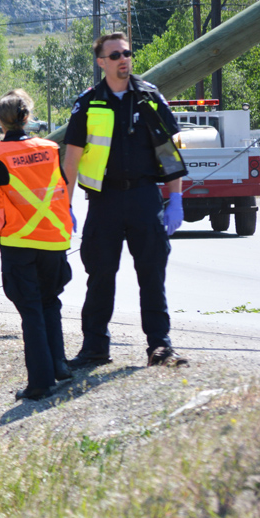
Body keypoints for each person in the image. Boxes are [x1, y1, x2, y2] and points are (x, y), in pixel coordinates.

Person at [63, 32, 189, 369]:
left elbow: (169, 153)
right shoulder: (89, 102)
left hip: (145, 197)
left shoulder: (149, 97)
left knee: (152, 274)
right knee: (100, 275)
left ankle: (160, 347)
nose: (123, 60)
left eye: (127, 53)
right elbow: (71, 158)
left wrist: (176, 199)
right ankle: (94, 348)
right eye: (115, 55)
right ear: (101, 62)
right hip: (104, 201)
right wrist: (65, 205)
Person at [0, 89, 74, 401]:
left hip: (18, 242)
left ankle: (40, 382)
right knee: (50, 301)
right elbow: (61, 187)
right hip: (54, 237)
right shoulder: (50, 148)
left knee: (31, 309)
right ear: (28, 117)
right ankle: (59, 364)